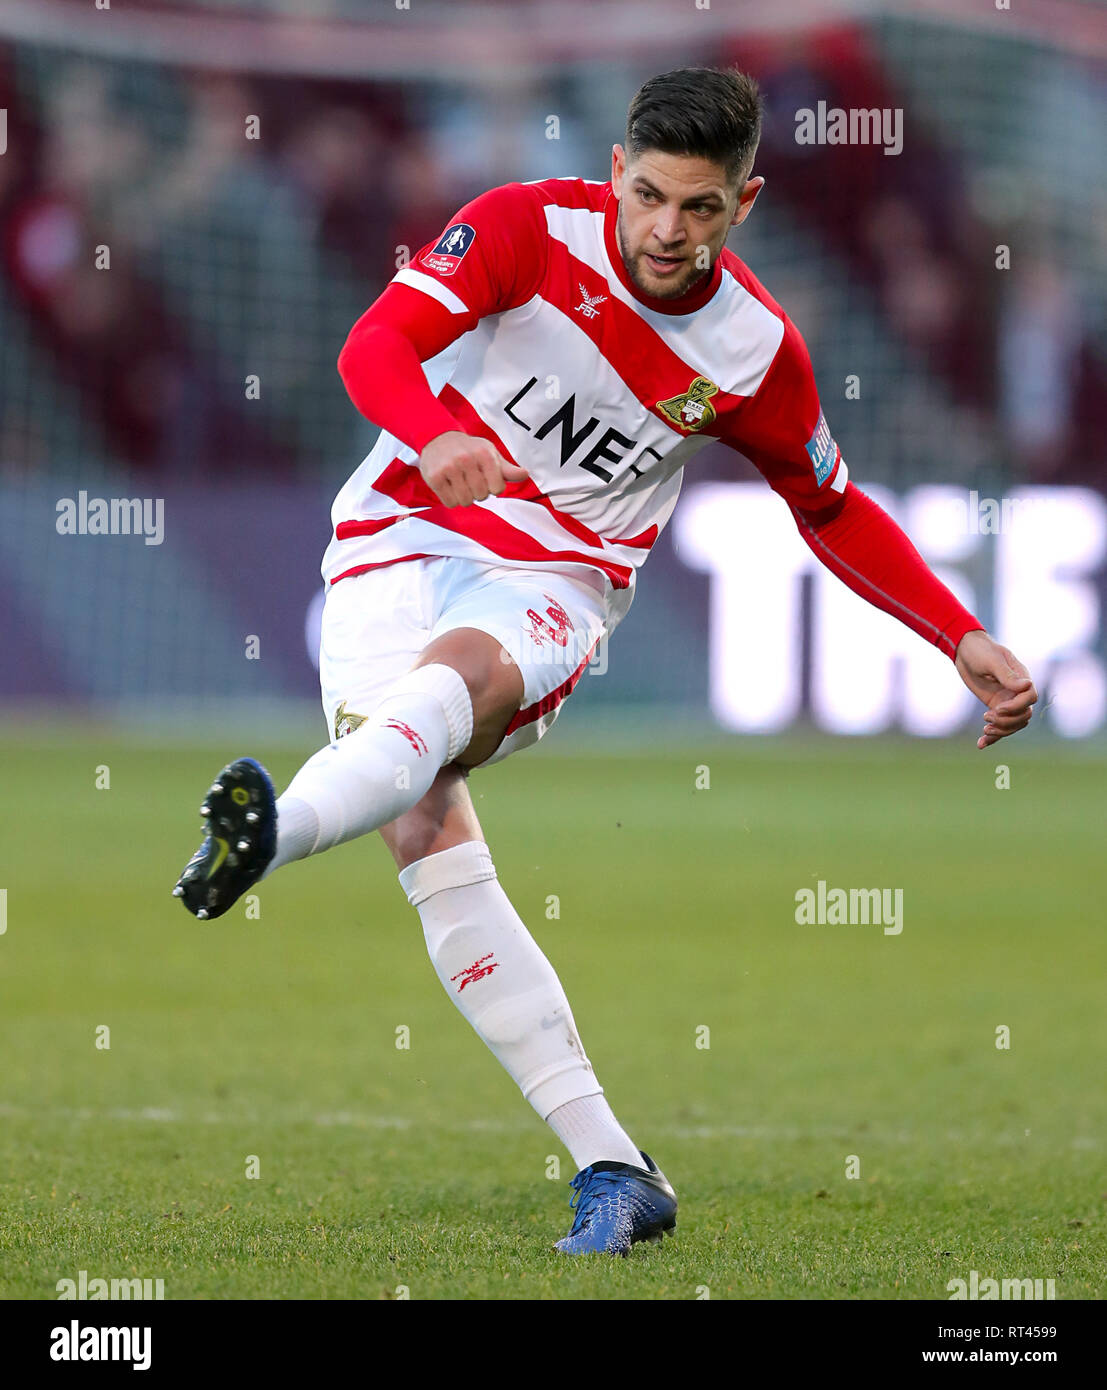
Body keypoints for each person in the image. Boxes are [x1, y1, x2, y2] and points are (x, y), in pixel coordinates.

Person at [173, 67, 1037, 1256]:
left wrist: (961, 633)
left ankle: (271, 832)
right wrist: (436, 437)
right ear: (617, 168)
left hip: (558, 580)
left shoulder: (753, 350)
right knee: (423, 826)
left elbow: (829, 507)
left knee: (458, 688)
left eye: (699, 209)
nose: (665, 232)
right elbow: (377, 342)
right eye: (648, 197)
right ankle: (617, 1169)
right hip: (397, 525)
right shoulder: (528, 226)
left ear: (746, 202)